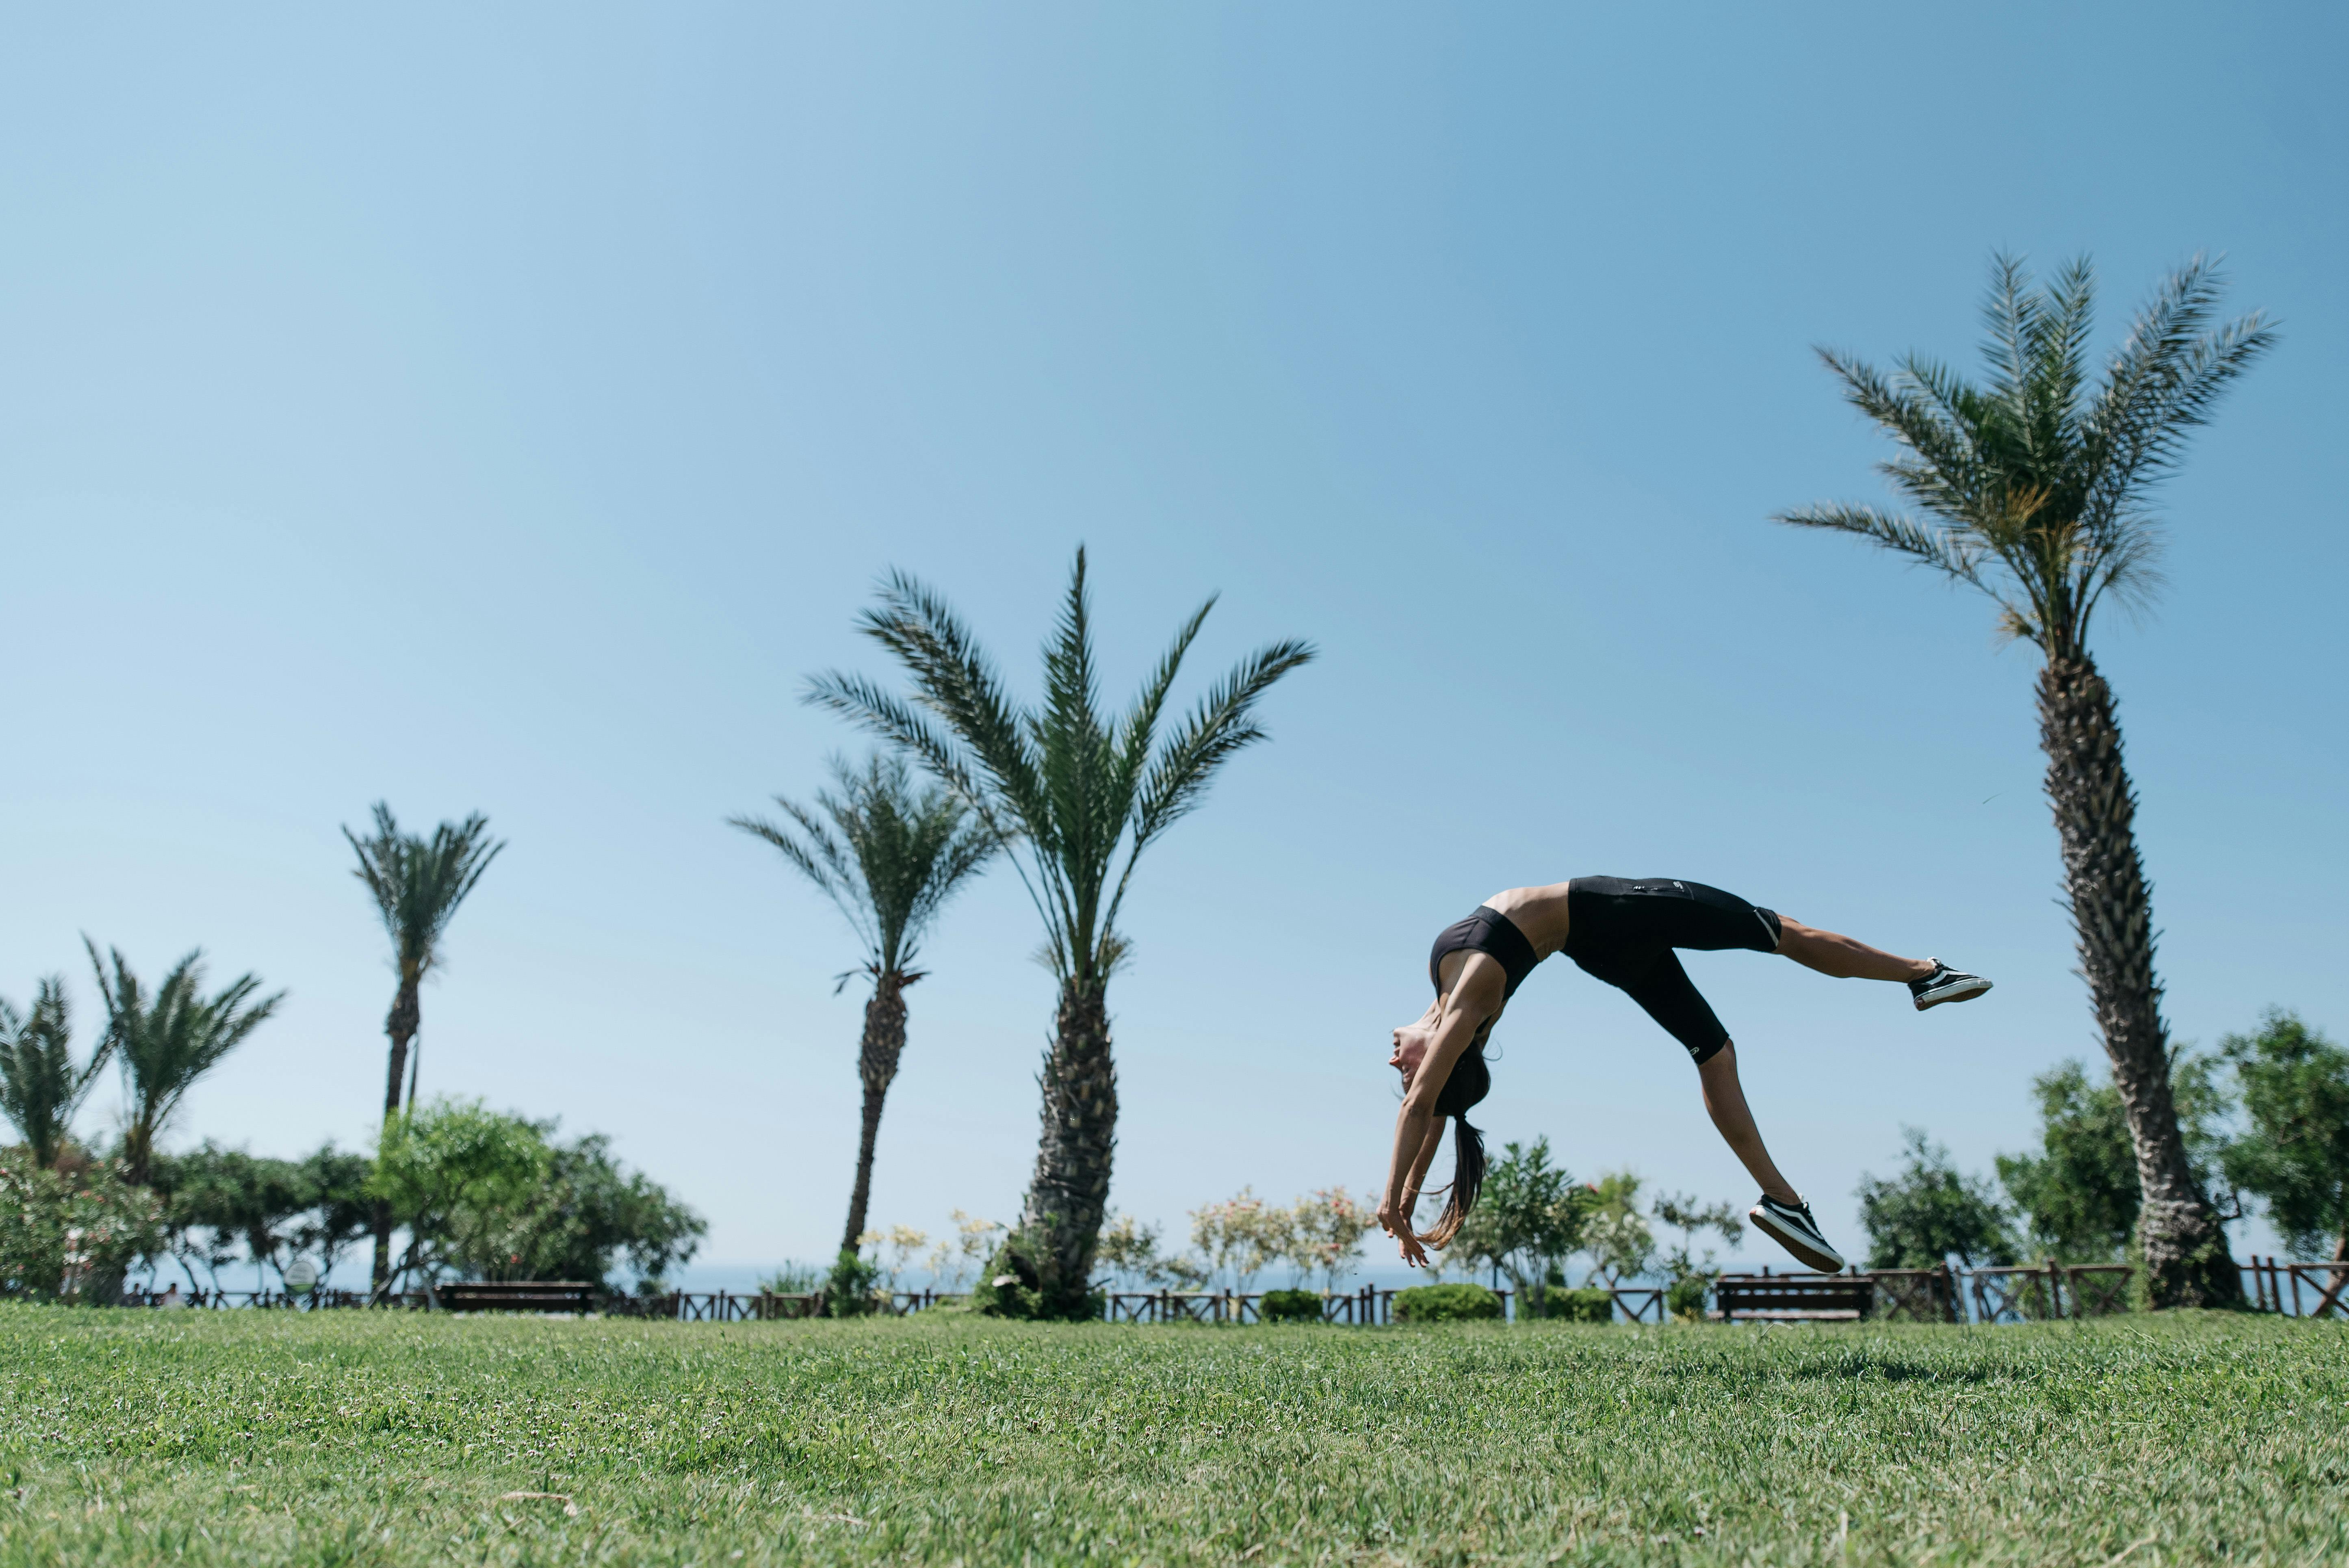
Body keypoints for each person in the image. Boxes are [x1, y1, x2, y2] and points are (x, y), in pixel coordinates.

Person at [1378, 877, 1989, 1273]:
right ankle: (1922, 973)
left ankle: (1783, 1203)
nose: (1394, 1063)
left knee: (1713, 1052)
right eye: (1407, 1072)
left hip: (1595, 943)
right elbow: (1423, 1108)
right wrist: (1390, 1204)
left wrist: (1406, 1206)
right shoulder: (1473, 998)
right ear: (1438, 1059)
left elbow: (1433, 1114)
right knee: (1783, 933)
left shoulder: (1451, 1003)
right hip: (1611, 913)